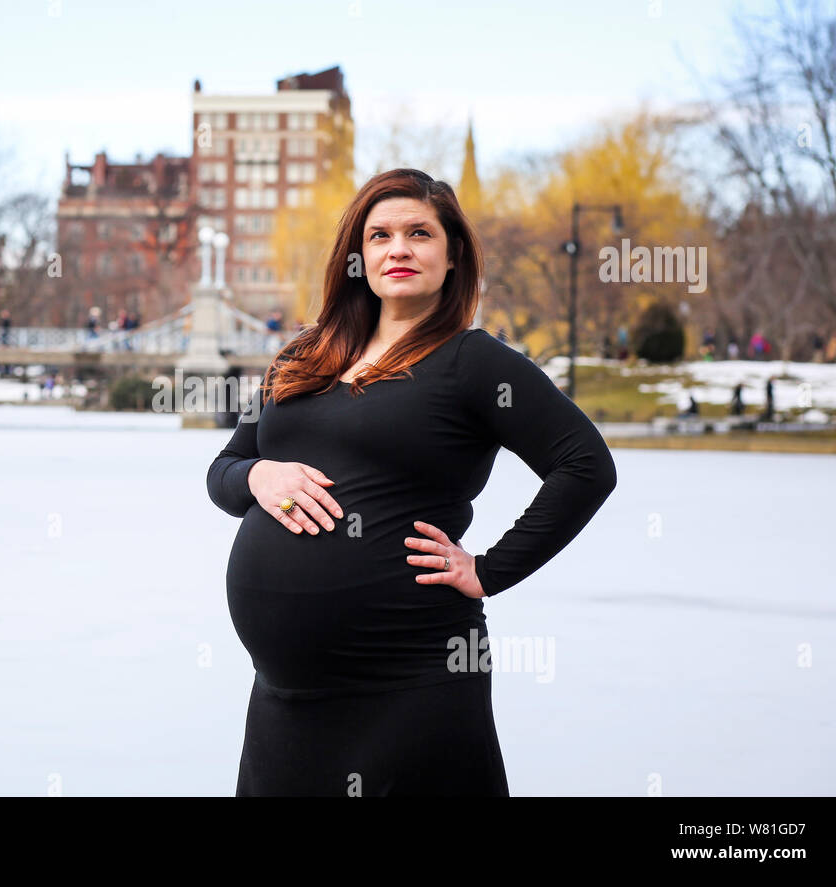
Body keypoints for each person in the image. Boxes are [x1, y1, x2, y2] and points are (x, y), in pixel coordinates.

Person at [206, 169, 617, 797]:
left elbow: (586, 466)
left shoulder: (473, 362)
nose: (398, 249)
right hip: (284, 699)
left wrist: (489, 570)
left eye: (419, 233)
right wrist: (259, 474)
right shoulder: (302, 356)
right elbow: (223, 472)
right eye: (380, 236)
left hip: (410, 680)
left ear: (452, 257)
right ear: (358, 257)